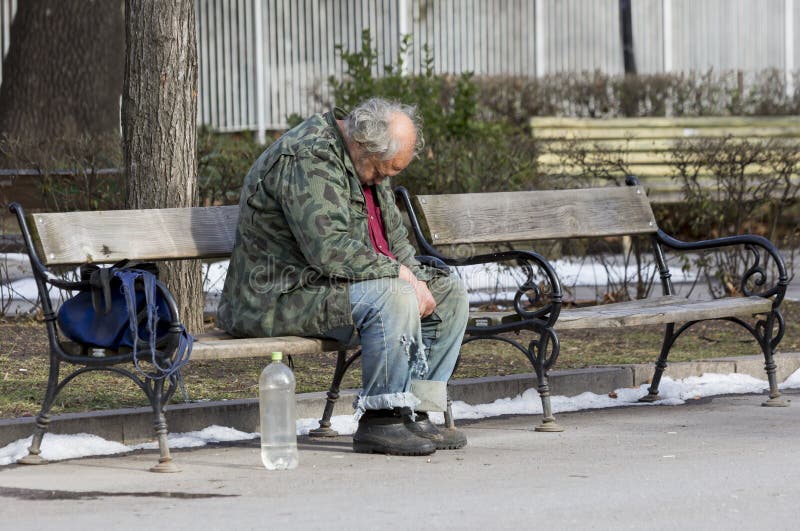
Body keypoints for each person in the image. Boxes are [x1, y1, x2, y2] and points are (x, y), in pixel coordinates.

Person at [217, 97, 469, 456]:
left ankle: (415, 410)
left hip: (333, 288)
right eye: (383, 172)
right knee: (393, 294)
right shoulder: (310, 157)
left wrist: (417, 278)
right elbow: (329, 250)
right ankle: (382, 421)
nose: (383, 179)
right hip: (278, 295)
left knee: (449, 295)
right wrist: (400, 276)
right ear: (364, 144)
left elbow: (394, 239)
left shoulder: (365, 160)